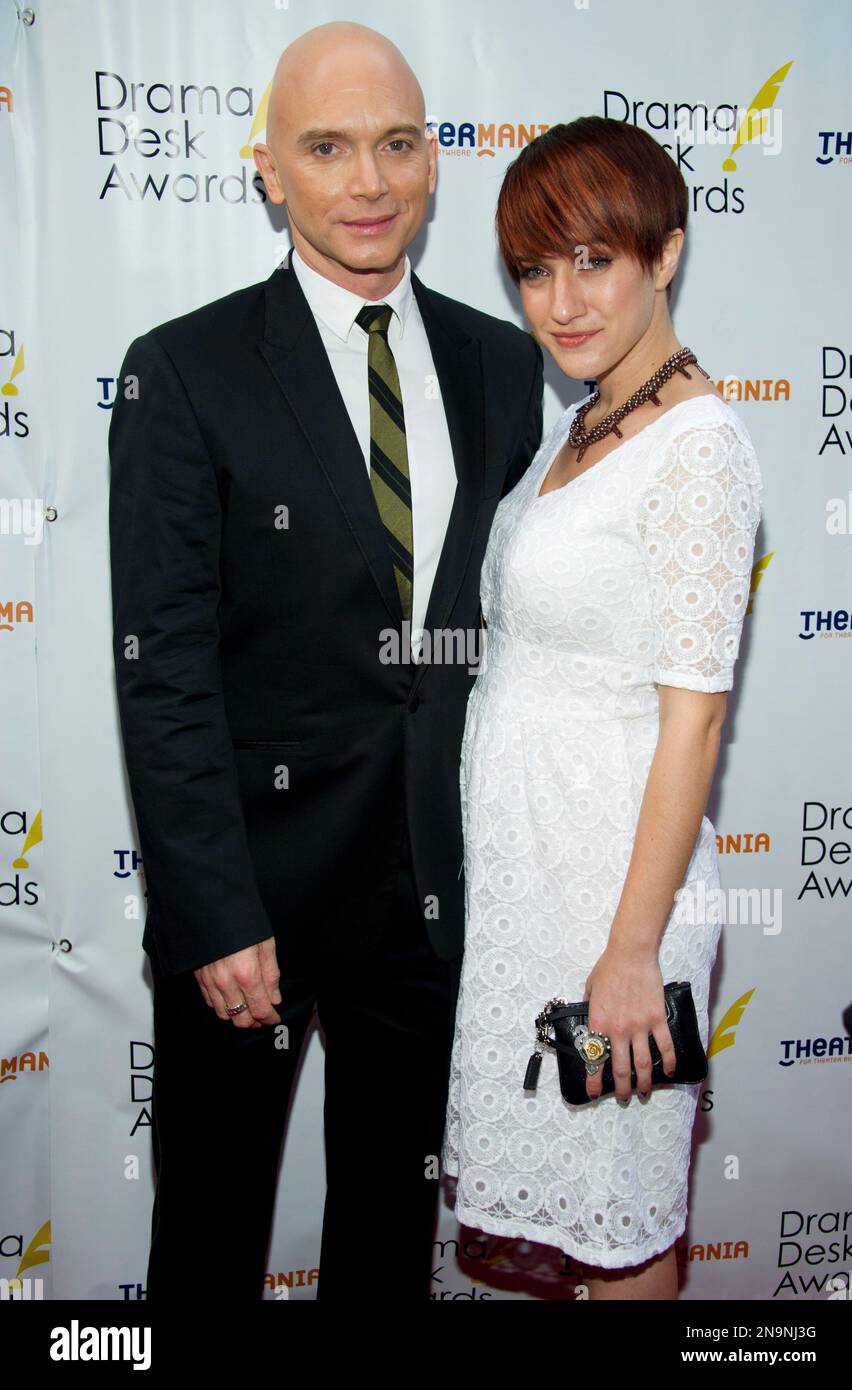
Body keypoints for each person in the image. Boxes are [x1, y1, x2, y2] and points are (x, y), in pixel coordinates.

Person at [108, 20, 543, 1300]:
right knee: (209, 1238)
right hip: (254, 904)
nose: (368, 181)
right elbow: (163, 661)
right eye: (328, 147)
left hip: (432, 896)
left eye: (397, 143)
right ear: (268, 171)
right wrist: (213, 909)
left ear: (431, 161)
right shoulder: (182, 371)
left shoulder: (505, 361)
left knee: (386, 1244)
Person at [441, 116, 763, 1300]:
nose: (561, 301)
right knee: (568, 1216)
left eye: (593, 261)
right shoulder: (573, 431)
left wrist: (629, 951)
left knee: (620, 1230)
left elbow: (695, 717)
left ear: (663, 254)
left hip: (612, 900)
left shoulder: (697, 449)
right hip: (532, 887)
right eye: (533, 269)